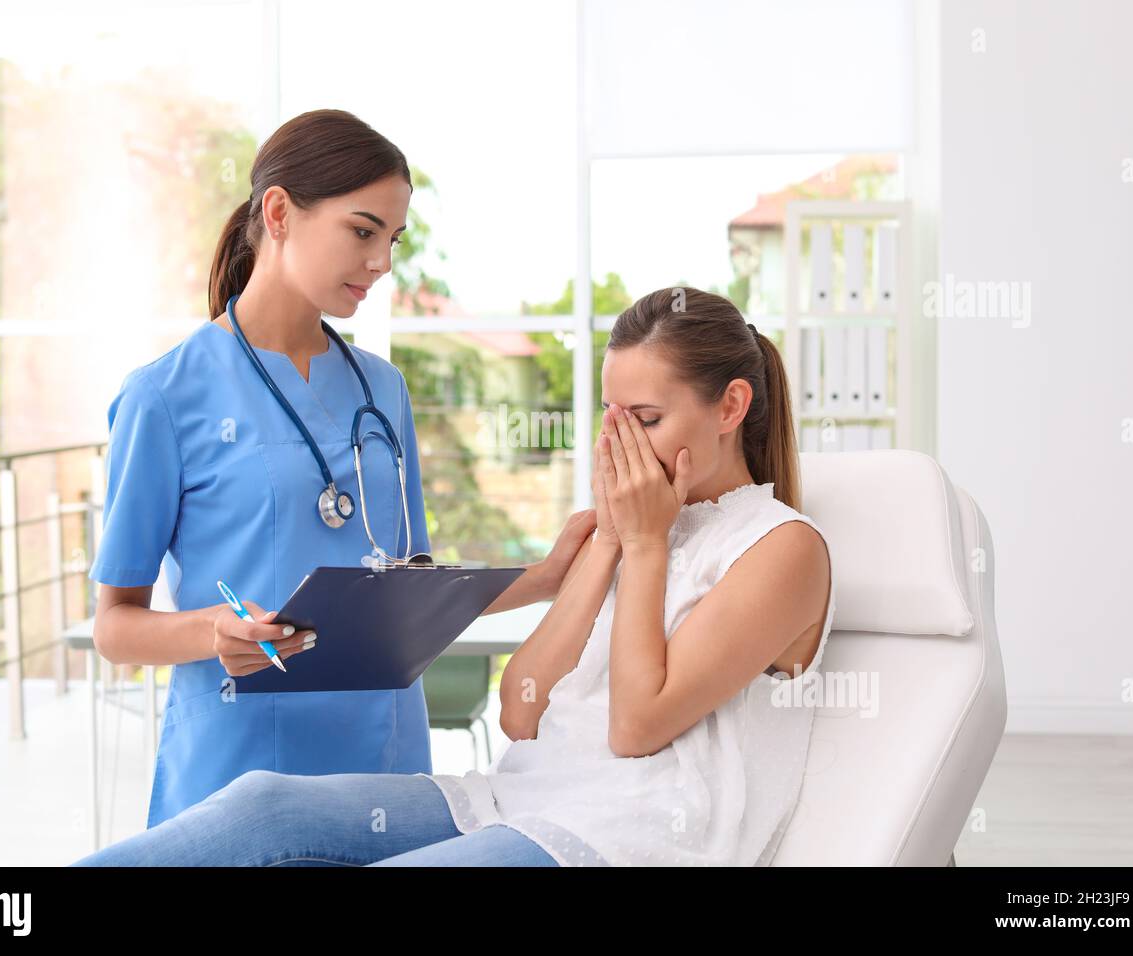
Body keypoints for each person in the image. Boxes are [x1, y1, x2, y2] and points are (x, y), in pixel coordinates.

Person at [73, 286, 834, 867]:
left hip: (631, 833)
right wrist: (605, 547)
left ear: (732, 405)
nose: (620, 443)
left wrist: (642, 547)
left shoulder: (780, 548)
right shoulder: (639, 529)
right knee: (263, 809)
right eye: (611, 418)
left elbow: (637, 729)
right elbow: (521, 709)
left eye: (647, 419)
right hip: (520, 794)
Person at [86, 109, 593, 830]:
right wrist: (212, 632)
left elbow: (406, 588)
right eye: (362, 231)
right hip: (239, 766)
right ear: (279, 212)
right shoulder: (165, 398)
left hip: (380, 762)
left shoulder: (382, 389)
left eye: (392, 239)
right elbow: (116, 626)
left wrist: (542, 578)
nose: (382, 261)